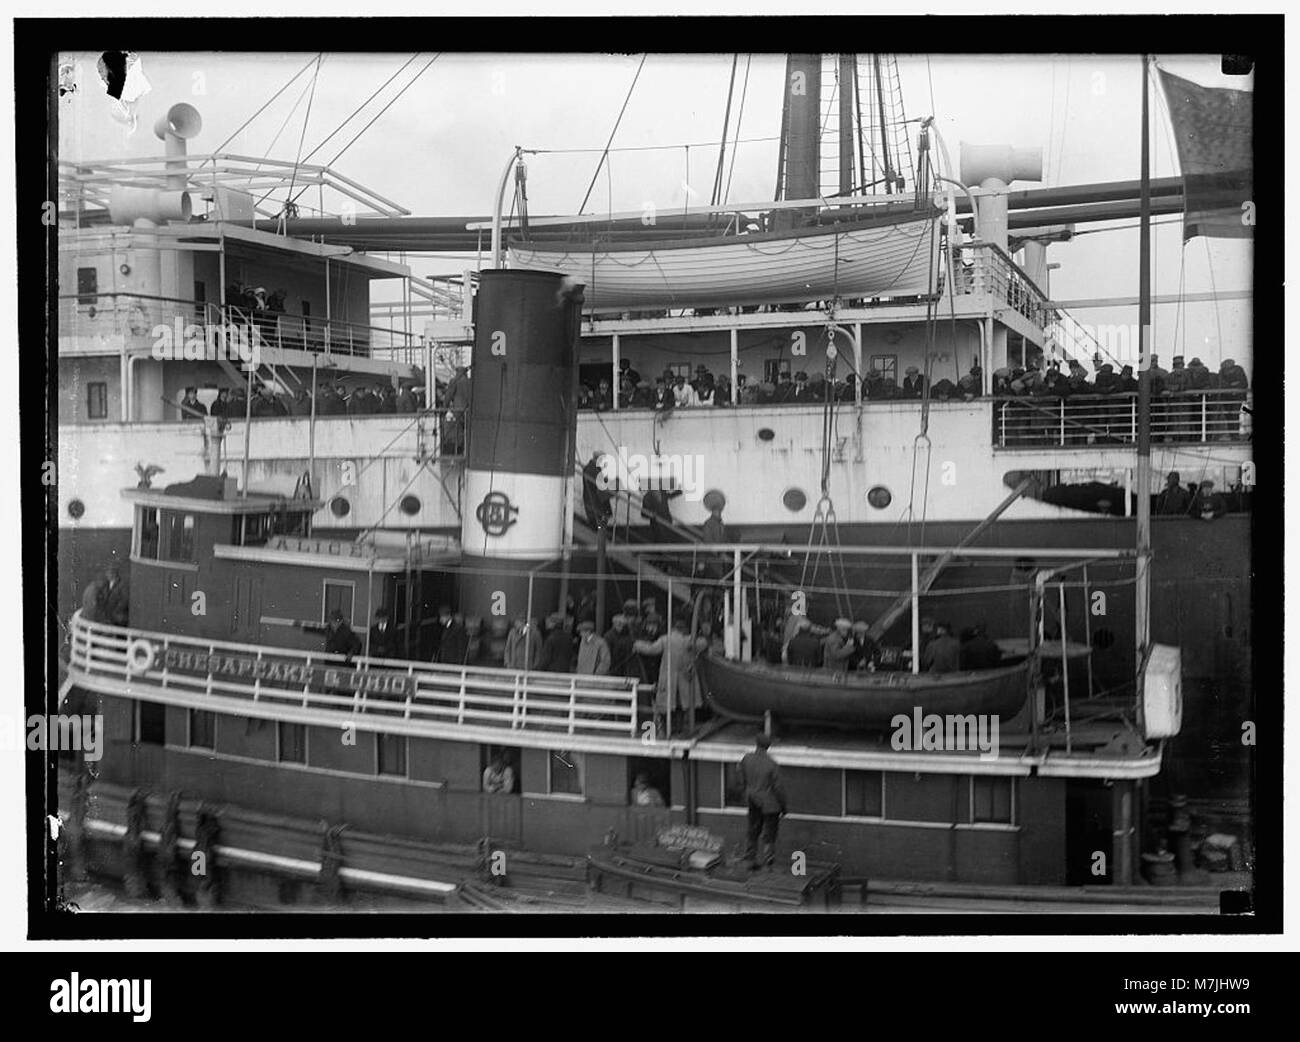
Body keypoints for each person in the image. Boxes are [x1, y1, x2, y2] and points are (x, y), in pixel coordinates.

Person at [633, 616, 706, 736]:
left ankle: (668, 729)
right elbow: (703, 643)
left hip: (669, 678)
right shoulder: (690, 640)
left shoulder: (665, 639)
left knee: (667, 706)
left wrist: (638, 644)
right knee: (682, 705)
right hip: (685, 678)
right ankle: (681, 729)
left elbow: (651, 649)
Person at [738, 733, 787, 869]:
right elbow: (778, 788)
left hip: (752, 800)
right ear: (768, 746)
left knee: (753, 829)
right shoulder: (772, 764)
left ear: (756, 743)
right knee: (770, 833)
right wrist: (783, 807)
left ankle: (749, 858)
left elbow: (741, 779)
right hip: (770, 804)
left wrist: (746, 793)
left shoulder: (746, 759)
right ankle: (768, 861)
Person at [581, 450, 613, 531]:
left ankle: (600, 536)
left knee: (599, 524)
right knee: (599, 524)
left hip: (594, 501)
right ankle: (599, 538)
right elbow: (601, 485)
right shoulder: (593, 469)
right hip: (596, 503)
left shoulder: (592, 468)